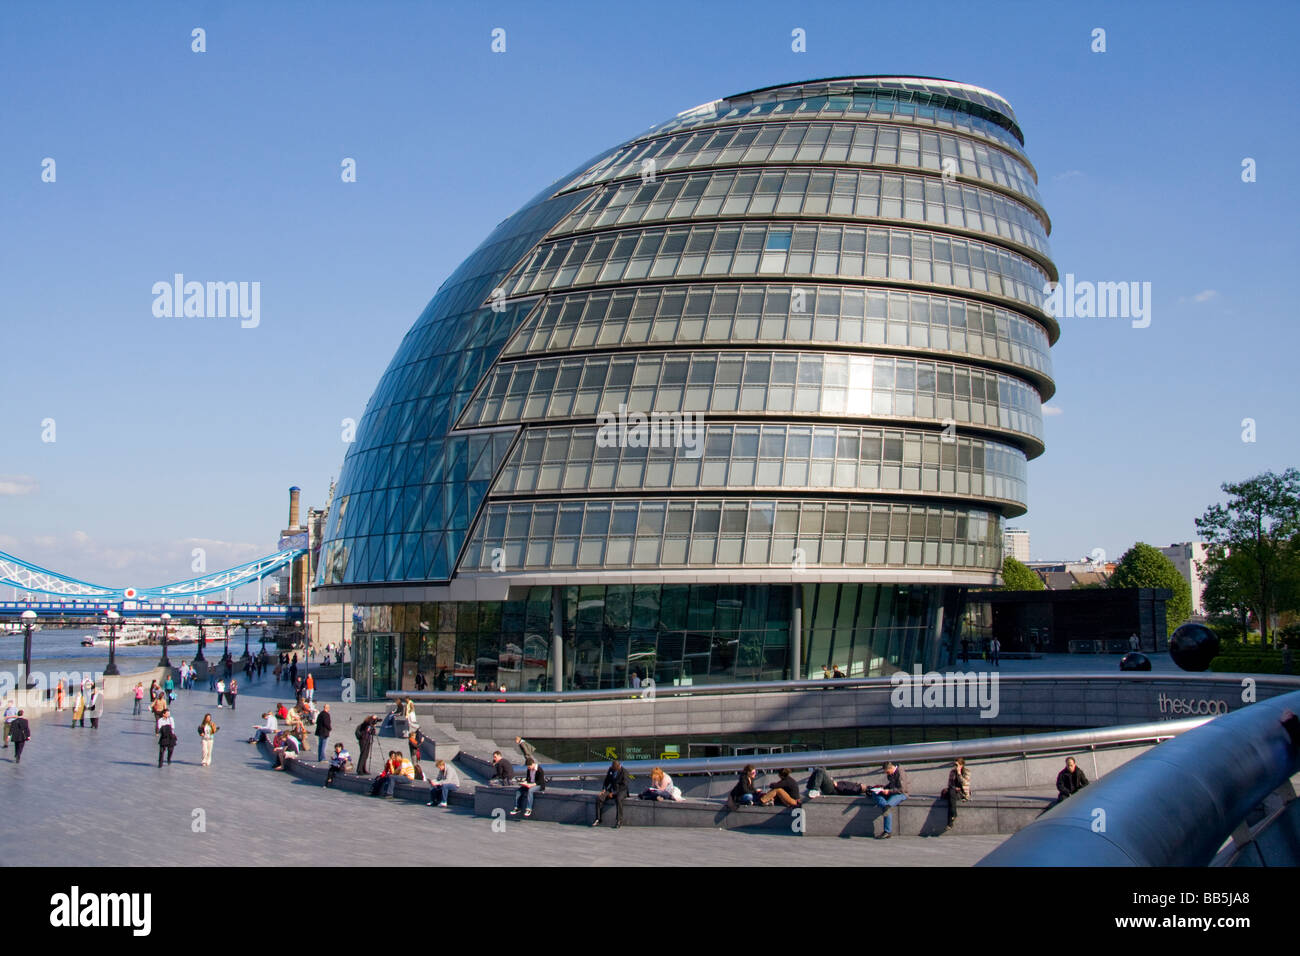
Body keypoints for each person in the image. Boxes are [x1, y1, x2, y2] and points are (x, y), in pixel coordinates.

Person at [870, 761, 910, 838]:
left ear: (891, 768)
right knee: (875, 793)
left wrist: (889, 791)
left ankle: (887, 832)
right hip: (892, 791)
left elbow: (902, 789)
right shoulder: (891, 773)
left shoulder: (900, 774)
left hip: (901, 794)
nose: (887, 774)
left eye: (887, 772)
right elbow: (891, 784)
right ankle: (884, 805)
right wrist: (883, 788)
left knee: (887, 806)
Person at [592, 759, 628, 827]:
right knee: (599, 798)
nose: (613, 770)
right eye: (613, 768)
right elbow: (607, 780)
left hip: (621, 791)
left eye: (615, 769)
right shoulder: (611, 769)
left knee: (618, 799)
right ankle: (598, 819)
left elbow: (624, 785)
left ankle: (619, 820)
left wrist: (614, 793)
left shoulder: (624, 772)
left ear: (618, 766)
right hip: (612, 789)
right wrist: (604, 789)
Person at [941, 758, 971, 831]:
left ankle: (950, 823)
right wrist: (954, 788)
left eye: (957, 765)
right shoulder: (952, 772)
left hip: (962, 793)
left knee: (951, 798)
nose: (956, 766)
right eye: (955, 765)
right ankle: (953, 814)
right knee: (951, 794)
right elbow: (950, 784)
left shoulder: (967, 772)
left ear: (962, 765)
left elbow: (965, 783)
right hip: (953, 791)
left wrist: (959, 773)